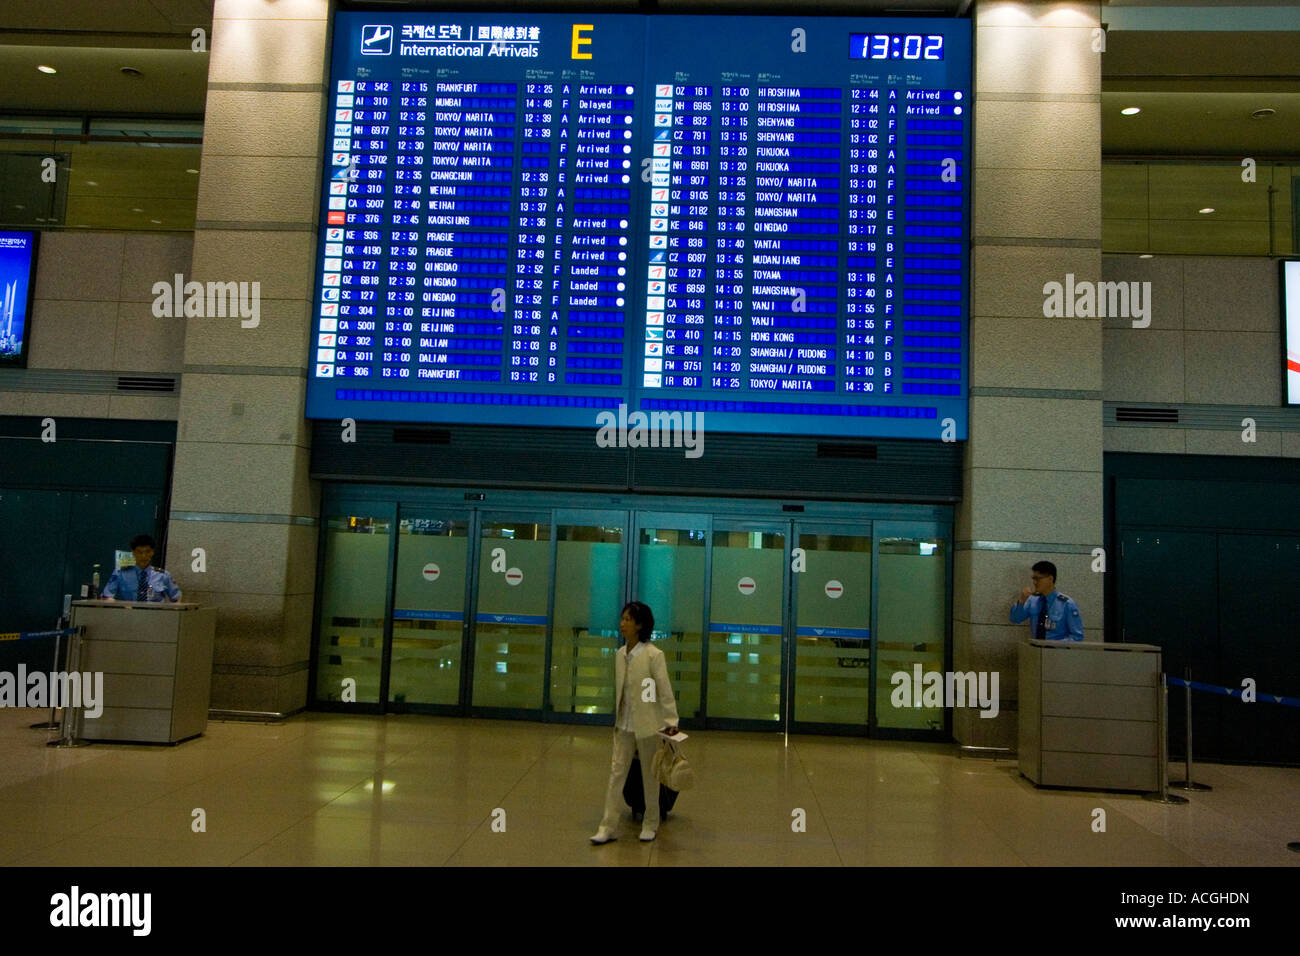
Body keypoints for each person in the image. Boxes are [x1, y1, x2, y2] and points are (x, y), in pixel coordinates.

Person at [590, 601, 679, 845]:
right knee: (616, 773)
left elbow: (665, 691)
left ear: (640, 625)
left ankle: (651, 823)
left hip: (649, 725)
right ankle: (607, 826)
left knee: (650, 776)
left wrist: (671, 724)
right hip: (624, 724)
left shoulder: (654, 655)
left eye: (628, 619)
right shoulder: (620, 655)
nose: (623, 623)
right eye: (622, 618)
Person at [1009, 560, 1082, 641]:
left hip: (1057, 651)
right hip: (1036, 650)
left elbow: (1077, 637)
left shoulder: (1067, 604)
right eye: (1033, 578)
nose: (1034, 582)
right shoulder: (1032, 600)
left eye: (1038, 579)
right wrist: (1022, 601)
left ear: (1050, 579)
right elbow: (1015, 619)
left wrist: (1053, 646)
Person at [101, 534, 181, 603]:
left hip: (155, 616)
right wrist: (122, 606)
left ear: (152, 552)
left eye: (147, 552)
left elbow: (177, 598)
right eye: (139, 552)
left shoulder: (163, 575)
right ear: (133, 553)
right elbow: (106, 596)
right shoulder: (121, 573)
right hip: (128, 615)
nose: (143, 556)